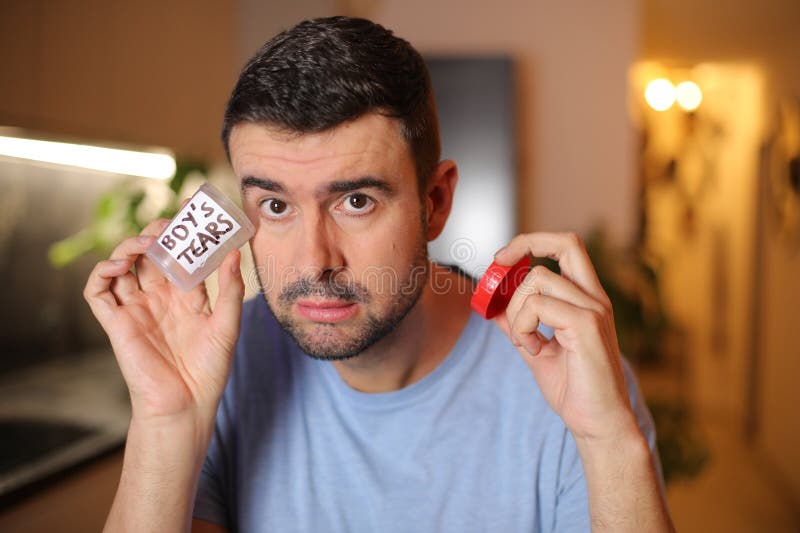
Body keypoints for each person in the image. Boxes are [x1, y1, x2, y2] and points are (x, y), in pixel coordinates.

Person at [85, 16, 674, 533]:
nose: (315, 261)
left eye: (357, 202)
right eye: (276, 206)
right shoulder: (224, 364)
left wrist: (610, 444)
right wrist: (167, 421)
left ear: (435, 201)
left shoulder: (569, 381)